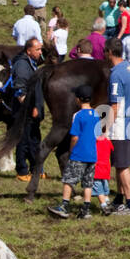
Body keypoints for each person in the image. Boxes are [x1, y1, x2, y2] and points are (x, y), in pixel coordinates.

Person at [48, 85, 100, 220]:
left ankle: (64, 206)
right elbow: (97, 134)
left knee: (68, 180)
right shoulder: (96, 114)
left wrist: (71, 149)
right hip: (92, 155)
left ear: (78, 99)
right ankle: (86, 209)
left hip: (79, 154)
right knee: (88, 183)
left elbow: (75, 136)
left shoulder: (77, 116)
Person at [107, 40, 130, 215]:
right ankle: (119, 200)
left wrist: (105, 129)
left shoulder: (116, 74)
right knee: (122, 164)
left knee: (122, 166)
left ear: (110, 52)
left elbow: (114, 105)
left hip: (122, 123)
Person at [10, 38, 45, 180]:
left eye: (40, 49)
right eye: (37, 49)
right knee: (23, 141)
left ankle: (36, 168)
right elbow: (20, 91)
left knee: (34, 139)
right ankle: (22, 171)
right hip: (24, 112)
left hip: (33, 110)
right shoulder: (22, 66)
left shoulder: (31, 63)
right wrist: (31, 108)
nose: (40, 52)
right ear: (28, 50)